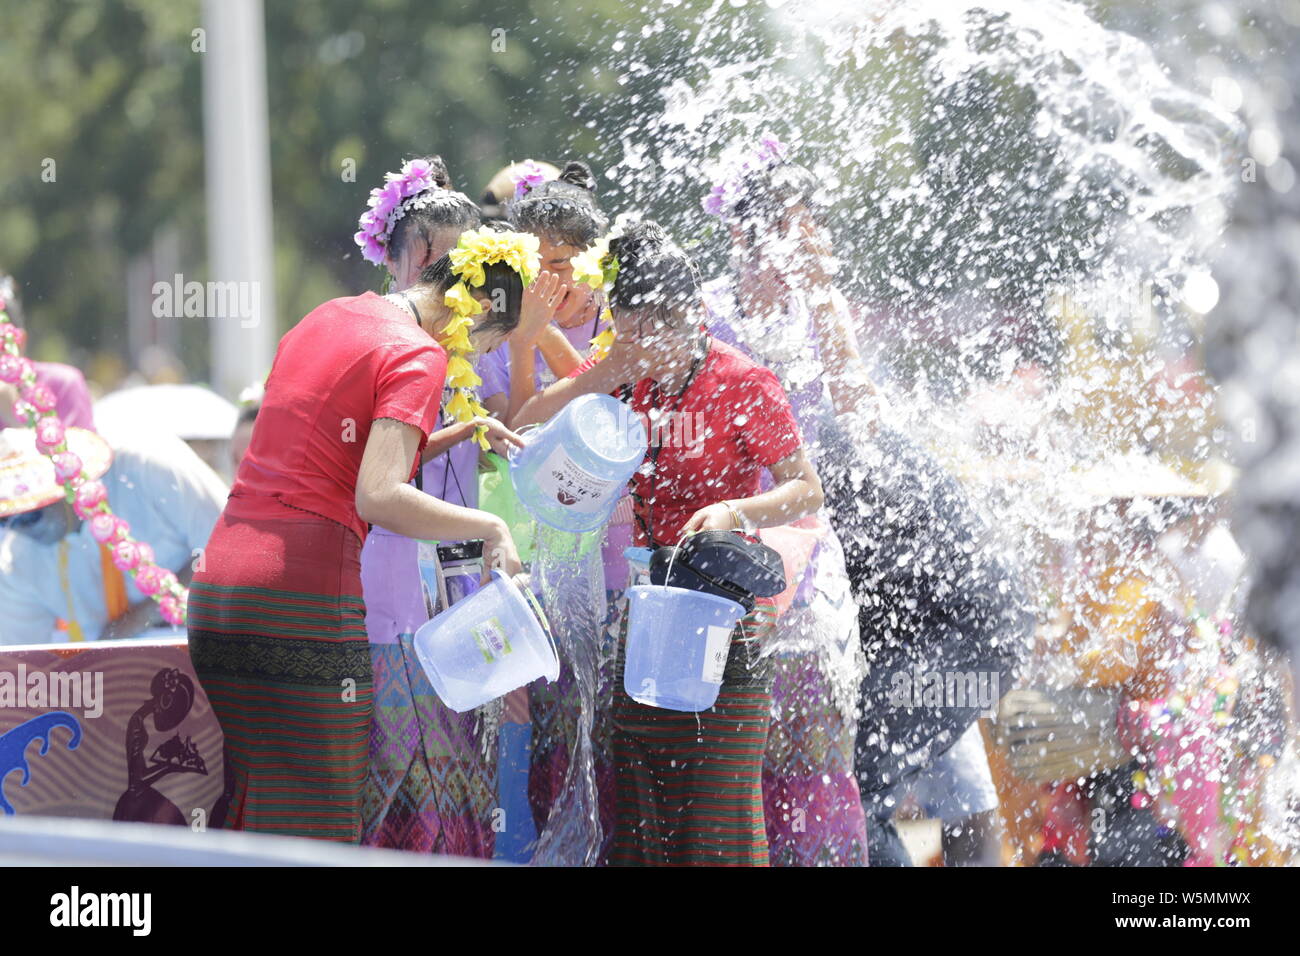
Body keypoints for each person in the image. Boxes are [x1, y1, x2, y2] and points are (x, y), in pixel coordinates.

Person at [187, 227, 549, 844]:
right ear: (483, 308)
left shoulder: (328, 315)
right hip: (300, 597)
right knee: (322, 824)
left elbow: (326, 457)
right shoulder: (419, 353)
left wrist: (453, 435)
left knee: (257, 805)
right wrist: (489, 527)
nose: (481, 354)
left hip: (221, 594)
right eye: (493, 341)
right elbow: (376, 496)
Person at [515, 221, 826, 866]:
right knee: (639, 829)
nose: (634, 351)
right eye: (623, 335)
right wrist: (604, 371)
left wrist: (734, 509)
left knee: (715, 830)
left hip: (723, 625)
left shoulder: (744, 383)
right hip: (645, 623)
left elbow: (805, 490)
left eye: (643, 335)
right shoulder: (631, 374)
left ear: (686, 315)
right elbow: (523, 425)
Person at [351, 159, 543, 857]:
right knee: (393, 797)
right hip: (391, 603)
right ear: (428, 256)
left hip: (454, 604)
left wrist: (471, 430)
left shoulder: (457, 349)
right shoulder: (384, 345)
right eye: (458, 258)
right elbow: (372, 479)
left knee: (461, 793)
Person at [700, 147, 869, 865]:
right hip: (723, 548)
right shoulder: (705, 312)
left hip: (804, 552)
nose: (804, 245)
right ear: (745, 237)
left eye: (809, 228)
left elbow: (861, 421)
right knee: (729, 745)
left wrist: (832, 313)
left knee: (813, 735)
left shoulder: (819, 311)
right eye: (790, 230)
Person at [0, 425, 226, 644]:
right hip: (109, 675)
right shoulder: (16, 559)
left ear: (63, 486)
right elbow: (20, 665)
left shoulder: (146, 464)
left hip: (213, 642)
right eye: (4, 519)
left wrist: (138, 618)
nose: (16, 527)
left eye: (29, 515)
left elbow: (230, 549)